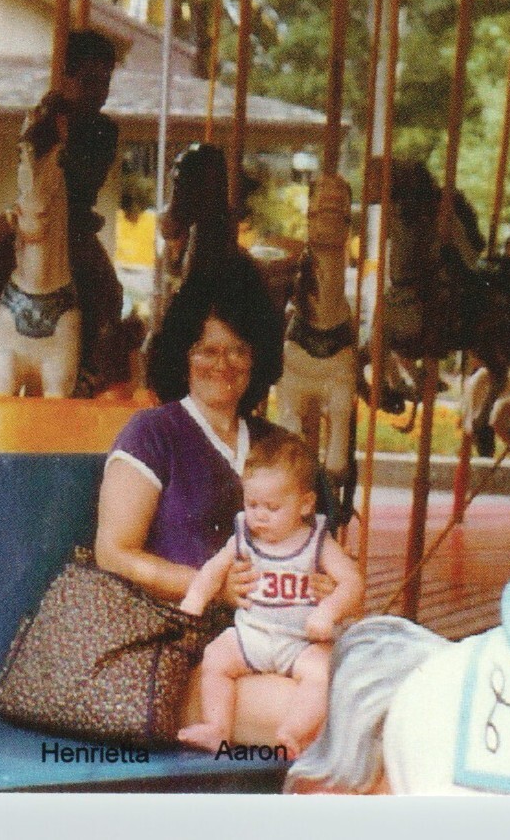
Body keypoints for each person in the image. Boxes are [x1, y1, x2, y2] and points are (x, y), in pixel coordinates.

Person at [94, 267, 338, 744]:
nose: (222, 363)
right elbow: (113, 552)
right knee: (327, 719)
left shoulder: (281, 447)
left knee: (372, 691)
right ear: (183, 355)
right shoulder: (153, 434)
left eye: (238, 350)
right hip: (187, 656)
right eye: (207, 348)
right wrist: (212, 587)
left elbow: (321, 548)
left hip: (285, 644)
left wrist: (323, 584)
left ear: (257, 357)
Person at [177, 433, 363, 756]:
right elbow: (213, 568)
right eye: (252, 504)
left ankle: (292, 731)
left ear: (305, 504)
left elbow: (352, 582)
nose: (259, 515)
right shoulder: (244, 535)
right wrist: (195, 599)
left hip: (300, 641)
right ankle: (216, 728)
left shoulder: (317, 541)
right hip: (253, 635)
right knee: (216, 659)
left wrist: (328, 611)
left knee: (322, 673)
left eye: (273, 507)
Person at [0, 29, 126, 391]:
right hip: (35, 218)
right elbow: (29, 171)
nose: (99, 91)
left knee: (108, 288)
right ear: (65, 78)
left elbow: (84, 178)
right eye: (89, 81)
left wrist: (63, 140)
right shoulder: (39, 118)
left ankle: (91, 365)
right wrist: (49, 126)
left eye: (105, 81)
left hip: (74, 224)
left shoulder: (103, 130)